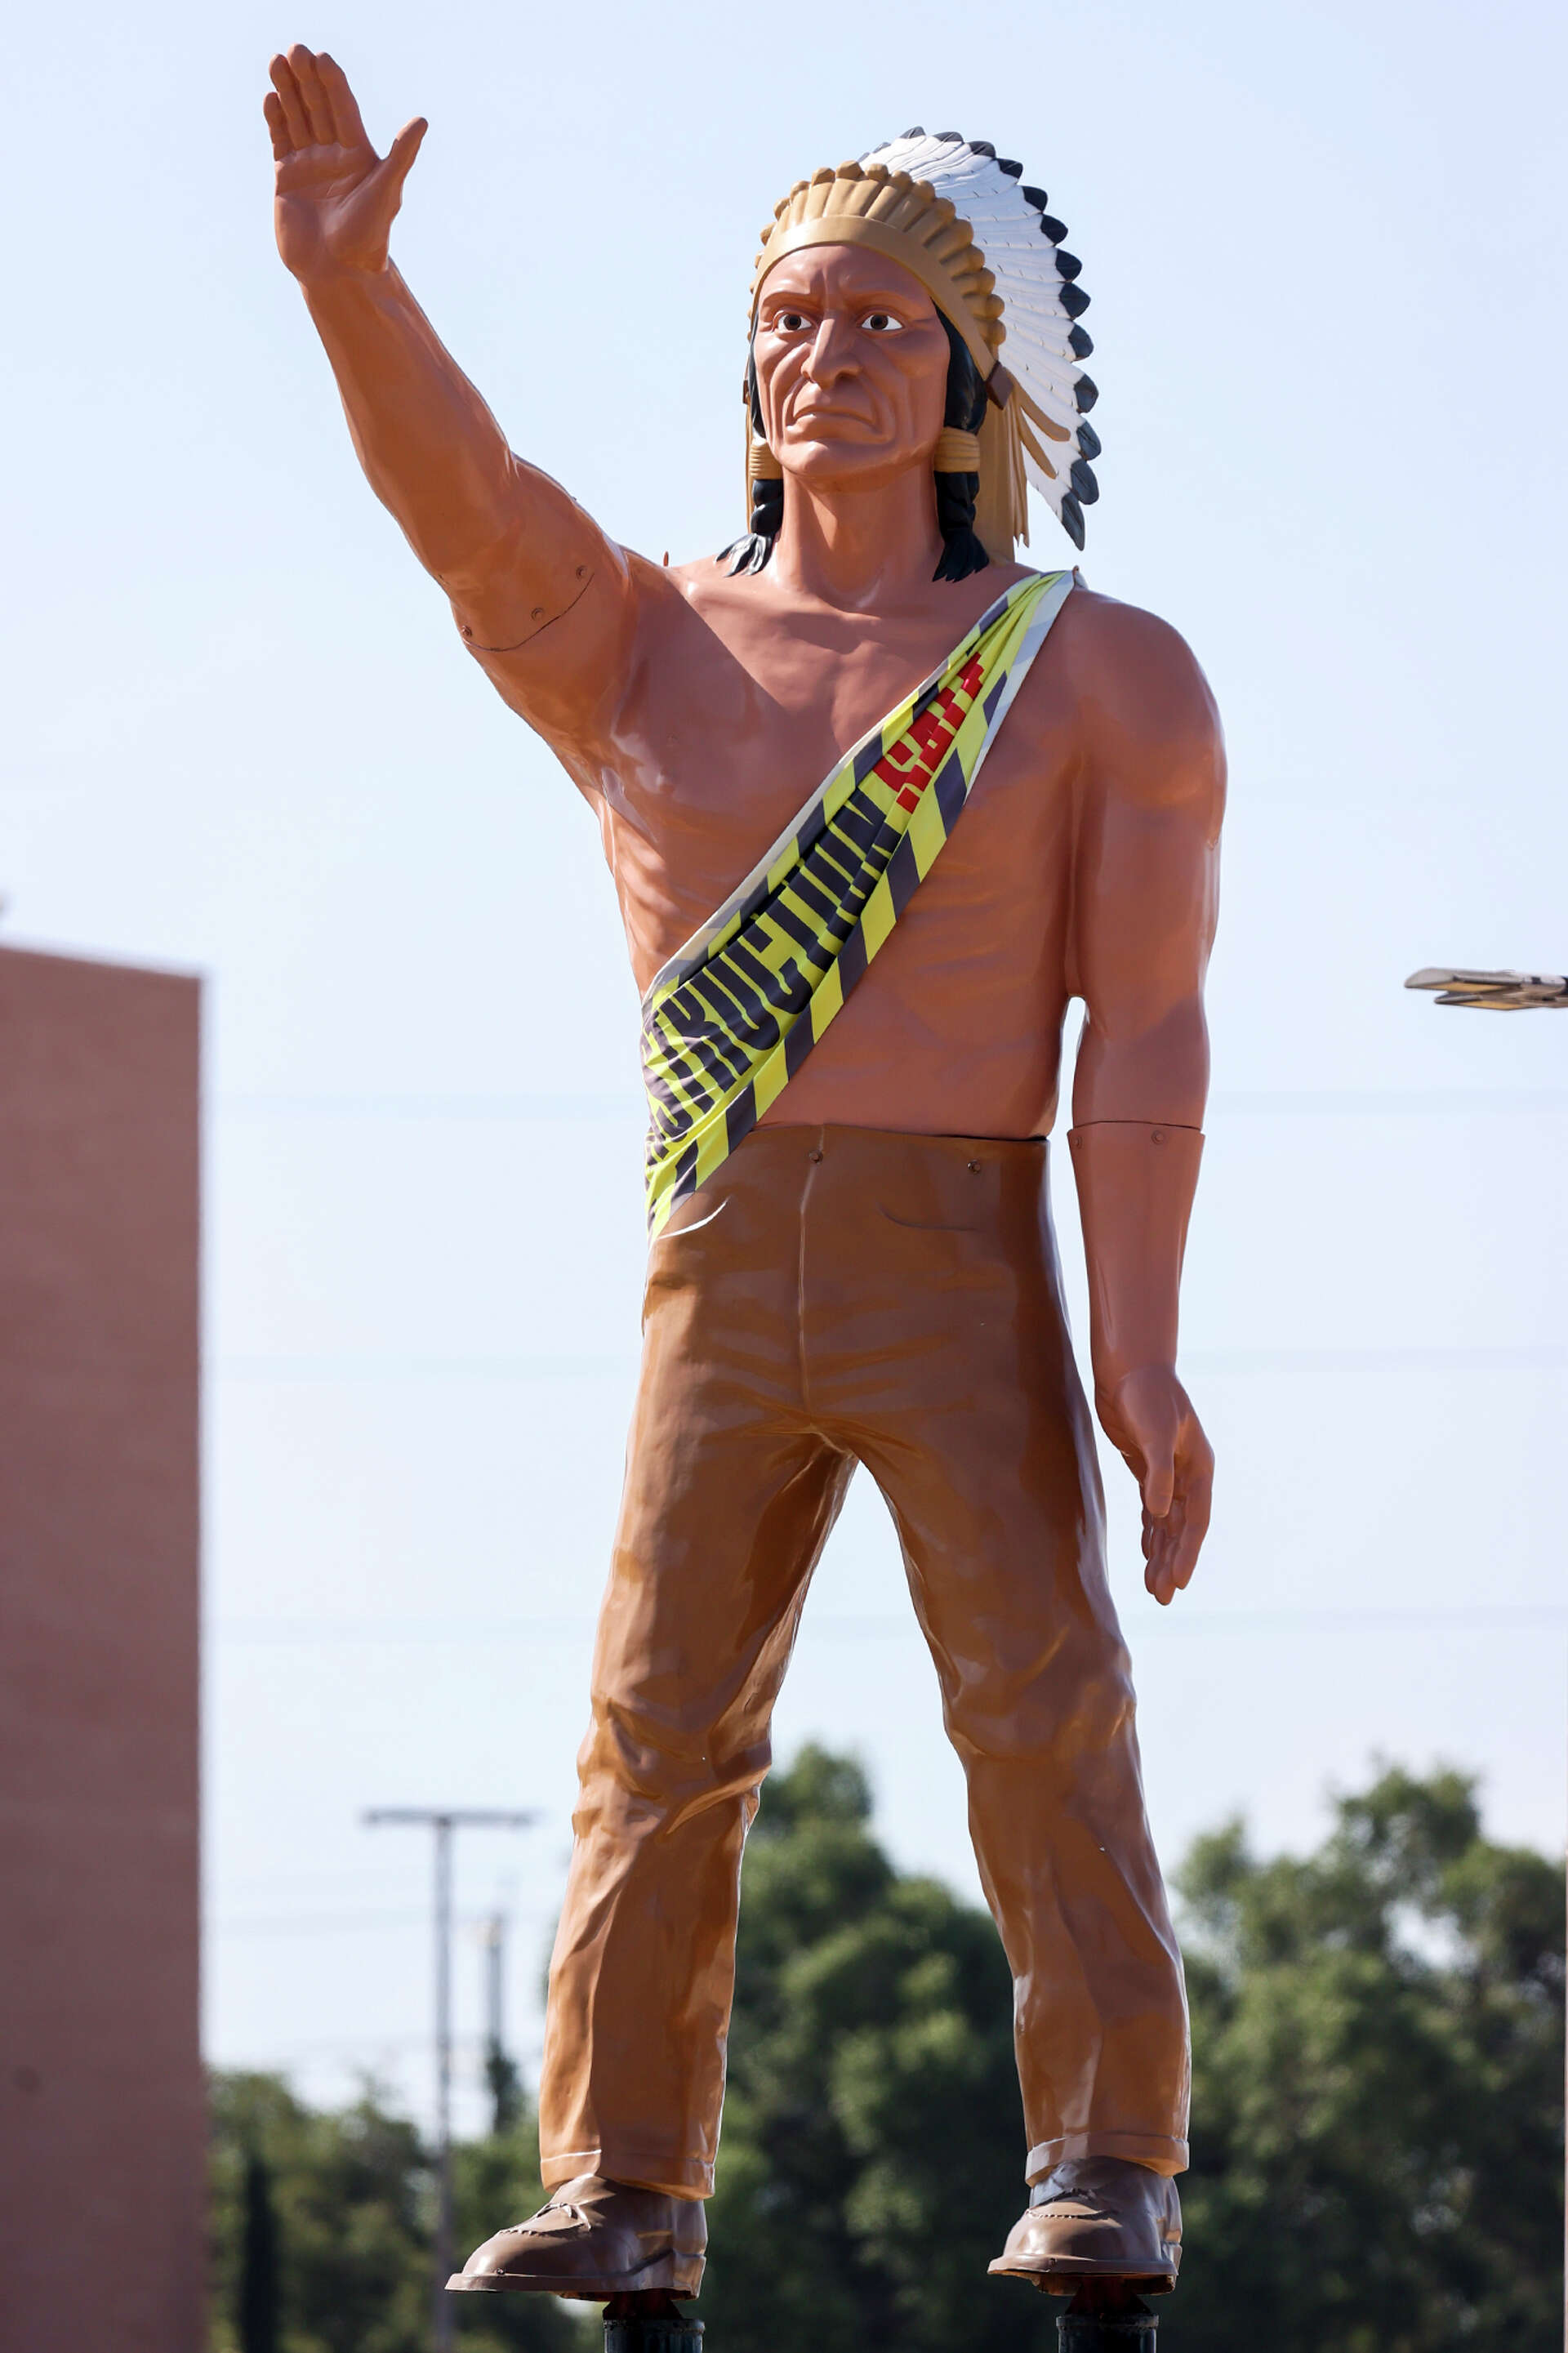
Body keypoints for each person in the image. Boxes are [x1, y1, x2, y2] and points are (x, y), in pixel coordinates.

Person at [265, 48, 1225, 2305]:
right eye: (795, 316)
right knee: (654, 1720)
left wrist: (1143, 1349)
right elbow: (470, 504)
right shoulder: (645, 642)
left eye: (884, 320)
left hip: (962, 1242)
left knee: (1041, 1702)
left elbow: (1148, 1034)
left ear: (978, 375)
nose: (828, 353)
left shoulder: (1099, 680)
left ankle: (1110, 2152)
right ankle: (623, 2177)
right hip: (713, 1250)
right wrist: (348, 295)